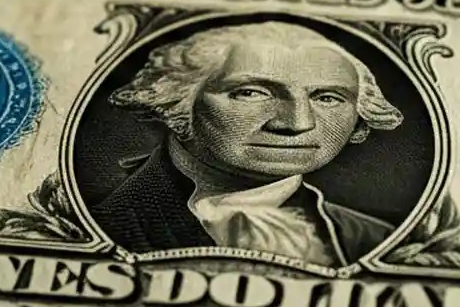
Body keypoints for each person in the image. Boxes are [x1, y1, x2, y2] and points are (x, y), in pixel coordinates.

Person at [89, 20, 406, 267]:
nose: (297, 124)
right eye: (252, 93)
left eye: (327, 98)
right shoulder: (91, 226)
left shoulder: (379, 240)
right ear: (176, 100)